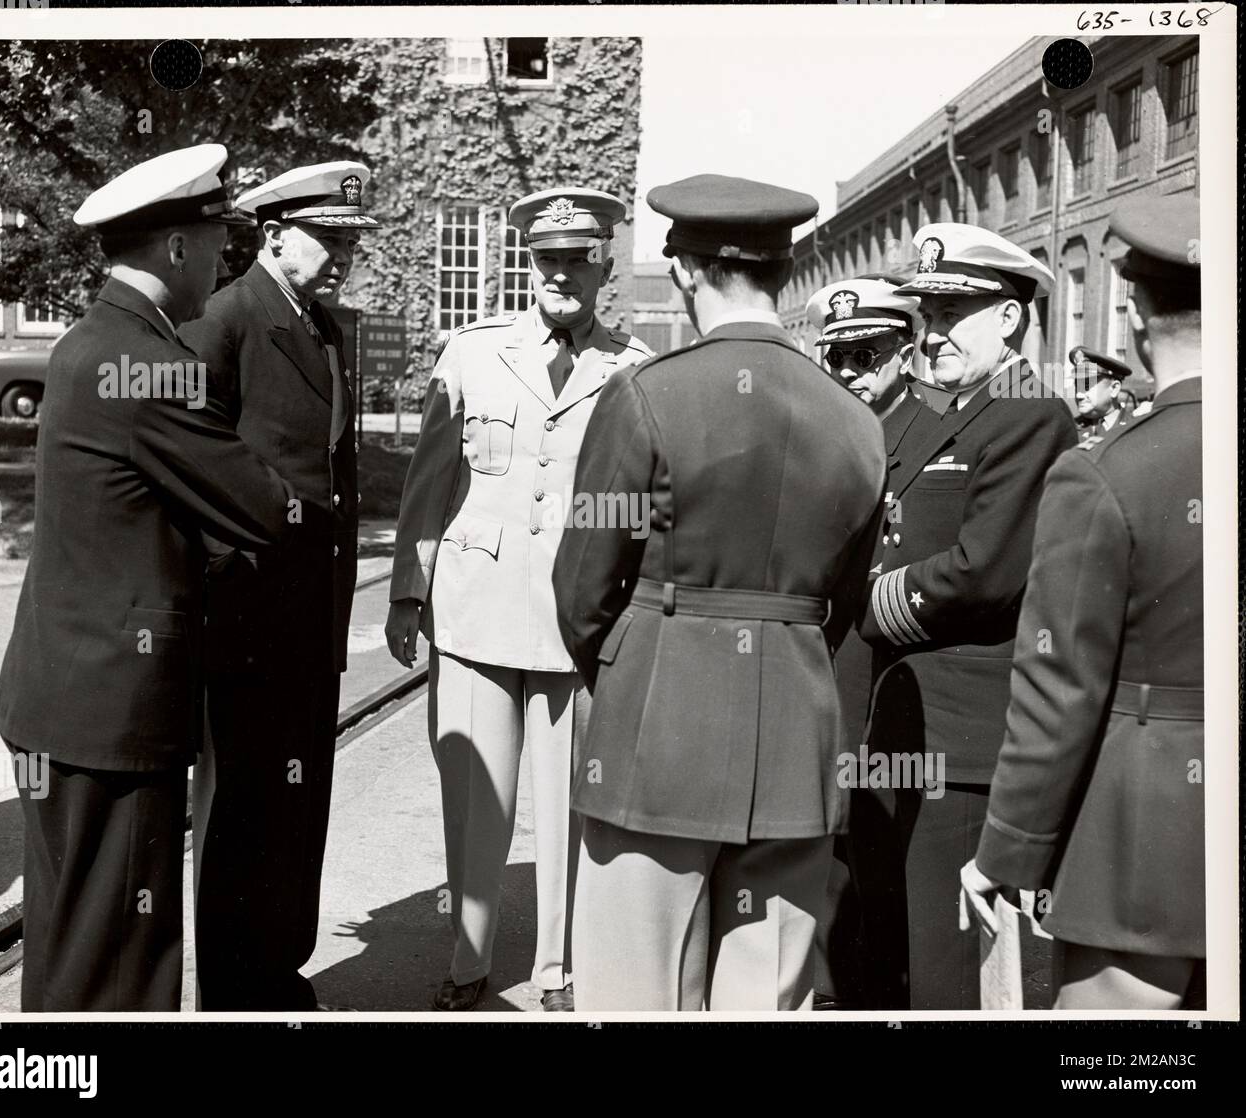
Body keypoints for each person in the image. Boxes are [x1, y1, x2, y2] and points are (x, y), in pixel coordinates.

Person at [553, 174, 887, 1011]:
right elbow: (842, 604)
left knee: (633, 990)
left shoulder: (647, 394)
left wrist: (632, 673)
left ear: (687, 274)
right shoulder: (858, 422)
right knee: (766, 995)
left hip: (657, 733)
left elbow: (584, 585)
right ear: (783, 272)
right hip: (793, 745)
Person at [0, 144, 296, 1011]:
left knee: (71, 953)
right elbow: (263, 509)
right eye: (214, 241)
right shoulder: (149, 366)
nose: (223, 259)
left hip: (65, 701)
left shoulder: (88, 342)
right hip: (114, 720)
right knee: (120, 966)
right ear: (172, 249)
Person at [385, 187, 651, 1011]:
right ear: (528, 262)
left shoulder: (633, 367)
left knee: (568, 804)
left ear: (605, 263)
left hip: (575, 623)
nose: (561, 274)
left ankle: (557, 969)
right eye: (547, 259)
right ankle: (468, 963)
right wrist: (407, 593)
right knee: (472, 798)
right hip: (474, 611)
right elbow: (428, 483)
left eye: (577, 258)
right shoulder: (472, 352)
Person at [961, 194, 1204, 1010]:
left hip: (1142, 839)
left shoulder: (1106, 474)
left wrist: (1006, 852)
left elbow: (1057, 688)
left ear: (1135, 317)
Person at [850, 222, 1078, 1010]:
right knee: (884, 949)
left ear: (1010, 318)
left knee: (946, 965)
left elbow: (985, 573)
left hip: (963, 738)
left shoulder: (1030, 414)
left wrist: (867, 604)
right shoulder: (929, 411)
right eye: (925, 315)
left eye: (953, 314)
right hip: (894, 723)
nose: (932, 332)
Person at [178, 162, 379, 1011]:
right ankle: (233, 983)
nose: (340, 256)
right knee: (242, 808)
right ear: (273, 232)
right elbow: (188, 471)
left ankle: (281, 962)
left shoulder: (325, 327)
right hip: (250, 614)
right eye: (326, 239)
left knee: (301, 801)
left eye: (347, 242)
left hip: (311, 613)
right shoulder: (223, 320)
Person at [803, 275, 939, 1007]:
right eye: (840, 358)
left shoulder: (934, 428)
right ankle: (830, 981)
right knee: (827, 826)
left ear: (906, 352)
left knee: (885, 832)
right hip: (826, 653)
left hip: (897, 660)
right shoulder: (818, 429)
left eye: (871, 354)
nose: (853, 373)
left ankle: (886, 983)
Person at [1070, 345, 1135, 440]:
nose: (1078, 395)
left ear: (1114, 389)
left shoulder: (1135, 427)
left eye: (1086, 386)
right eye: (1077, 386)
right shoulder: (1069, 429)